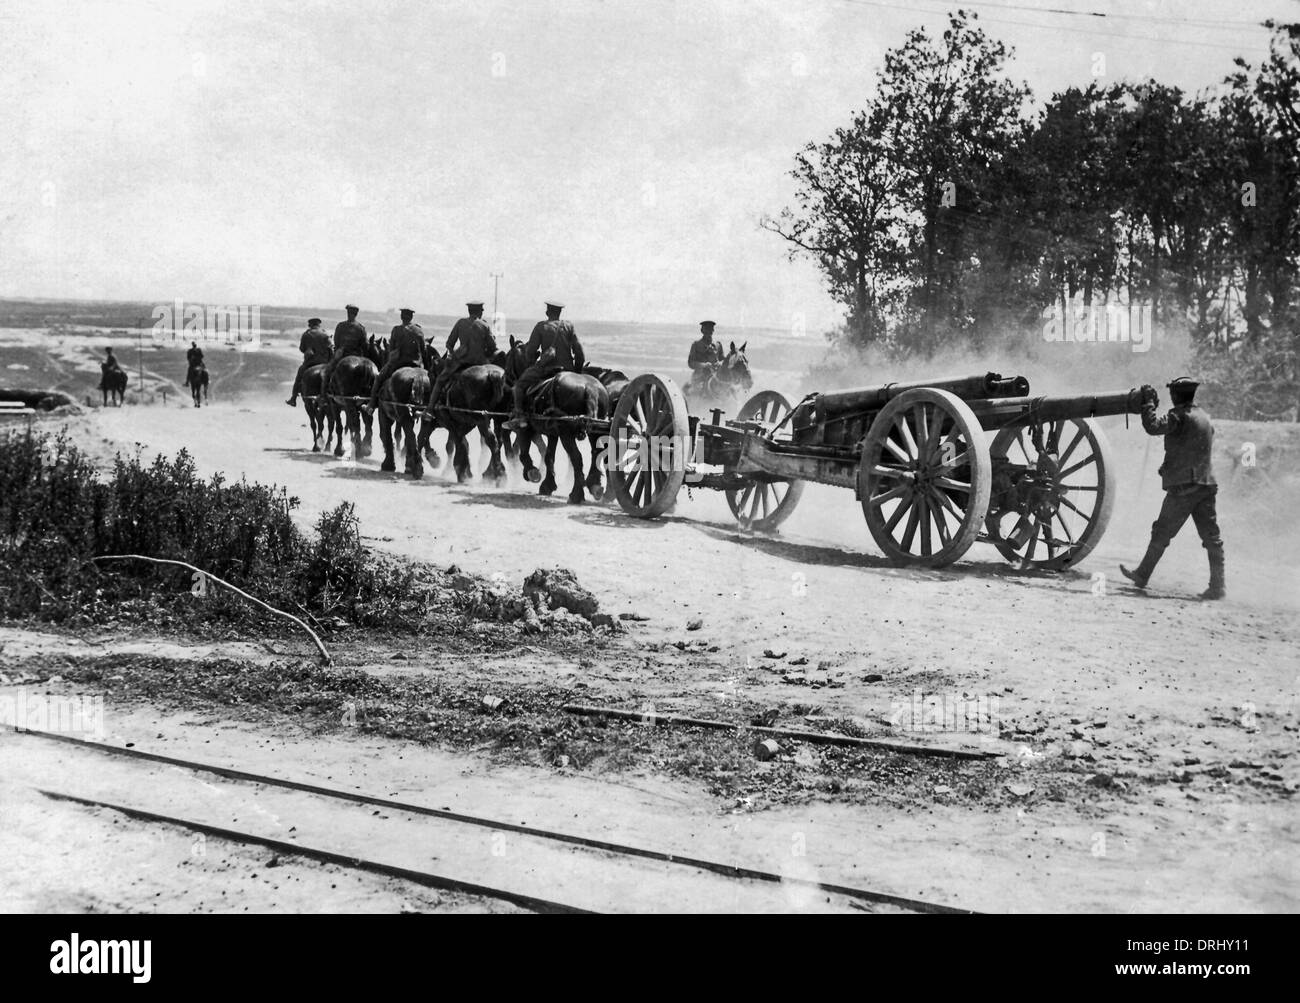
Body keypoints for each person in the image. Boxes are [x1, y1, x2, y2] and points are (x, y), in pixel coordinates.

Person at [1120, 377, 1224, 599]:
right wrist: (1169, 466)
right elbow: (1191, 447)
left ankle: (1142, 576)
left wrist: (1147, 404)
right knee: (1211, 538)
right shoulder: (1204, 417)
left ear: (1176, 395)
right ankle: (1218, 587)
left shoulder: (1178, 415)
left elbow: (1153, 427)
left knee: (1161, 533)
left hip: (1184, 488)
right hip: (1206, 484)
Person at [505, 301, 584, 430]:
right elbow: (580, 353)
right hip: (568, 370)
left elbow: (530, 352)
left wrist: (532, 363)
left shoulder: (541, 326)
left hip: (548, 369)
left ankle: (520, 417)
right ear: (559, 312)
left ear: (547, 312)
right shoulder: (569, 326)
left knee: (519, 385)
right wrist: (577, 372)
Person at [424, 301, 498, 423]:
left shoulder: (460, 322)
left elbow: (449, 344)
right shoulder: (485, 326)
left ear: (469, 311)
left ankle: (430, 409)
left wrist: (455, 354)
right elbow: (493, 347)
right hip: (481, 363)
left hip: (462, 362)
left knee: (441, 379)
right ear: (479, 312)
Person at [365, 308, 425, 413]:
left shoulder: (396, 330)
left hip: (398, 364)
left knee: (379, 378)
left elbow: (391, 349)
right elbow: (423, 350)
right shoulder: (419, 330)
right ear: (411, 317)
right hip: (416, 365)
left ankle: (371, 404)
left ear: (401, 317)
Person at [319, 304, 369, 400]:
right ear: (356, 314)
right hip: (357, 356)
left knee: (328, 370)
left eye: (349, 313)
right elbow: (365, 344)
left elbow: (336, 341)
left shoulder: (341, 326)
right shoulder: (361, 328)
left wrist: (339, 349)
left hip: (342, 355)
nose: (349, 314)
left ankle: (323, 396)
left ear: (349, 313)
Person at [286, 318, 333, 406]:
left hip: (310, 364)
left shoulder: (306, 334)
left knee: (299, 377)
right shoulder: (325, 334)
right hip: (324, 363)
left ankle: (293, 398)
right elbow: (331, 348)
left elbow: (302, 348)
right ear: (319, 325)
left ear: (310, 325)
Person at [687, 320, 724, 391]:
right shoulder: (696, 345)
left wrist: (720, 363)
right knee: (697, 394)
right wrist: (704, 365)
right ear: (702, 331)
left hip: (716, 375)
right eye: (706, 329)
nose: (708, 332)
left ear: (713, 330)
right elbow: (691, 363)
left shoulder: (718, 344)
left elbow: (723, 359)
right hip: (700, 377)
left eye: (710, 329)